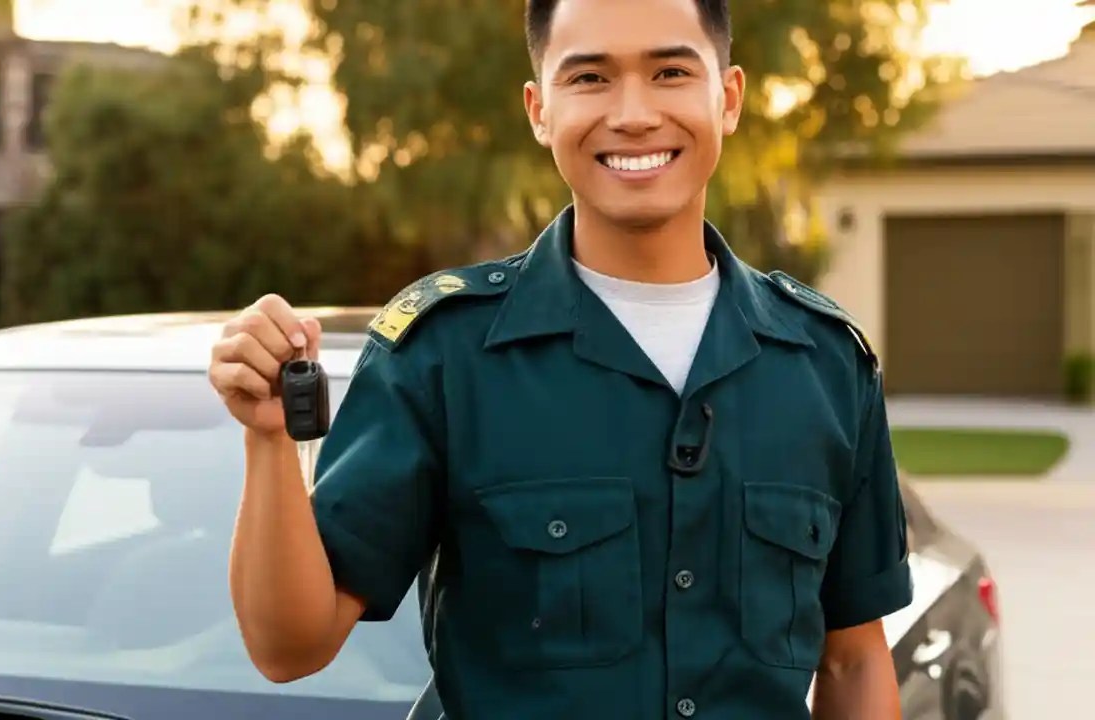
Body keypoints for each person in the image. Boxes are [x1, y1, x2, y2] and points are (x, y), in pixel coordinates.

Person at [209, 0, 913, 717]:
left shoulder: (825, 365)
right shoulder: (445, 355)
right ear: (539, 109)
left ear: (727, 98)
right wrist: (267, 438)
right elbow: (288, 646)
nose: (634, 113)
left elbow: (854, 659)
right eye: (590, 79)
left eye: (671, 71)